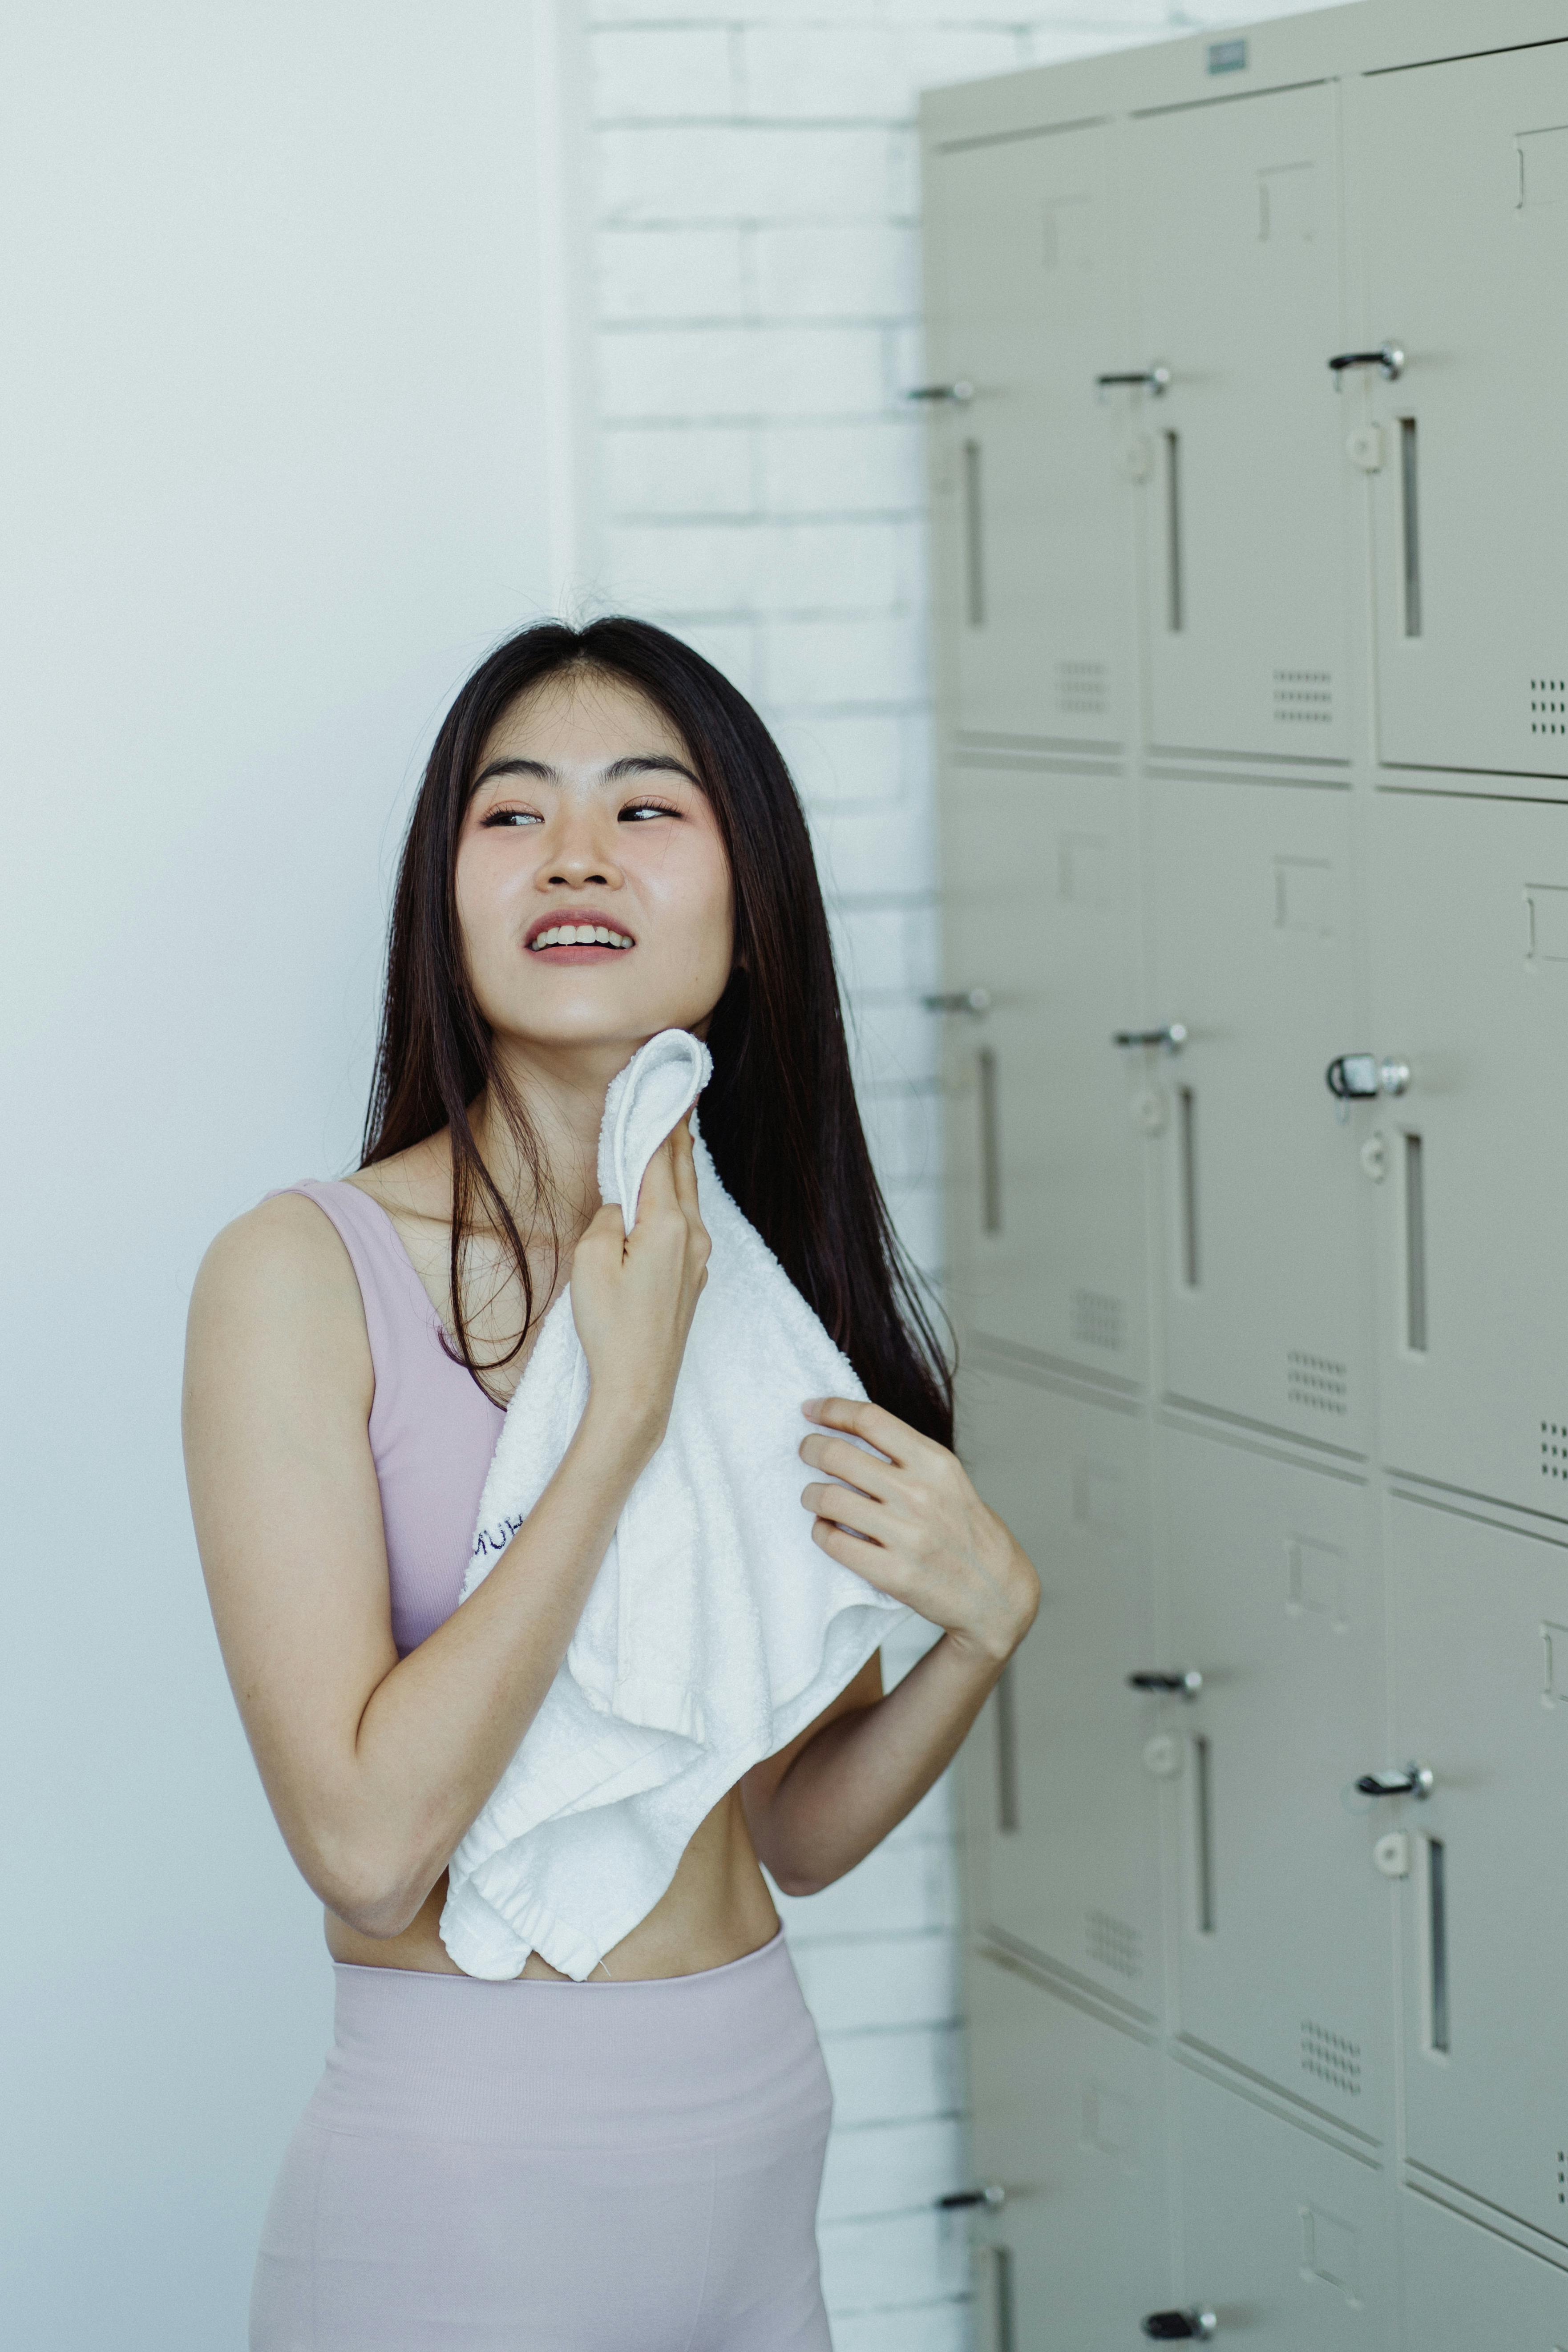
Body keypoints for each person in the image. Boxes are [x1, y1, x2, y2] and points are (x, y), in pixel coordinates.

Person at [182, 616, 1040, 2351]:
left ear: (749, 913)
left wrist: (978, 1635)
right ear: (445, 904)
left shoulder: (759, 1303)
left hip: (753, 2137)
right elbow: (365, 1849)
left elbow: (789, 1828)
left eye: (646, 808)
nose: (574, 852)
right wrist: (615, 1411)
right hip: (464, 2181)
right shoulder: (301, 1274)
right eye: (512, 813)